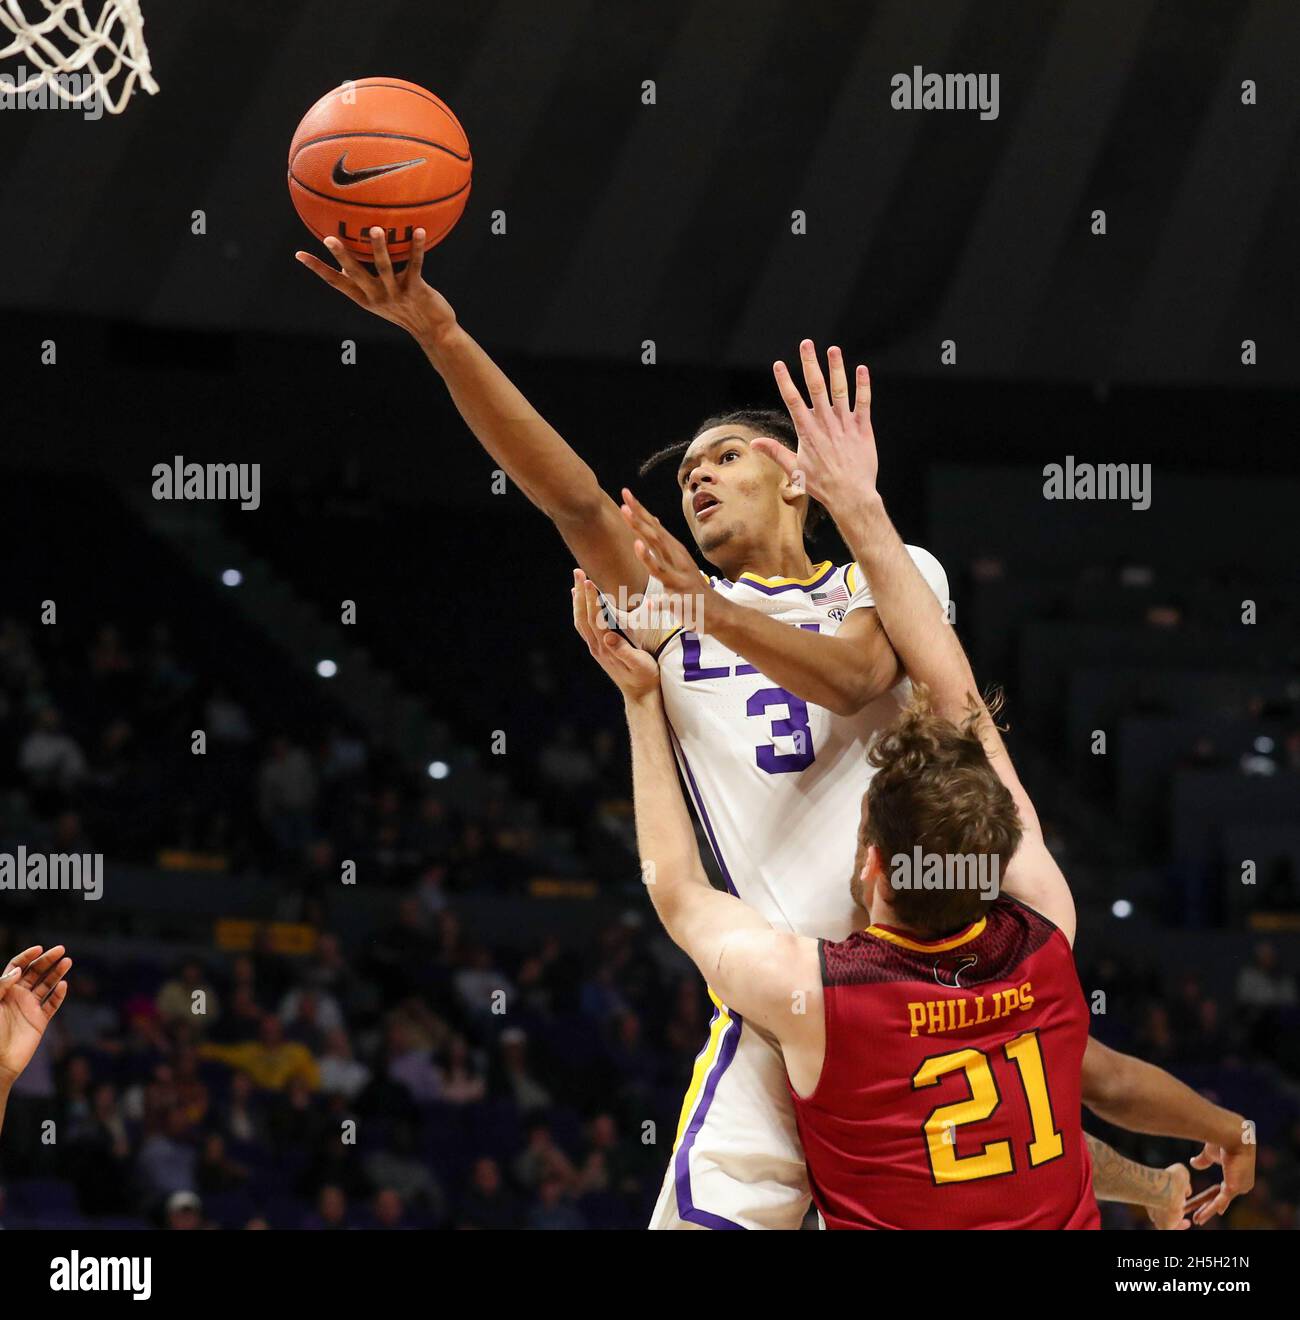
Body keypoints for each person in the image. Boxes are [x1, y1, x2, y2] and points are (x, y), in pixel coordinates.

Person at [297, 229, 947, 1229]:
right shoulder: (670, 617)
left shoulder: (887, 572)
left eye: (724, 456)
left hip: (930, 990)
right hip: (785, 1005)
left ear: (794, 478)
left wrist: (722, 613)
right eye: (686, 473)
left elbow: (860, 675)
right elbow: (566, 495)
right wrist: (439, 332)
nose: (696, 478)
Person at [568, 343, 1256, 1227]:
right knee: (1013, 1092)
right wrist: (1227, 1127)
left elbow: (673, 887)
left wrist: (639, 702)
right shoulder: (1040, 943)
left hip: (828, 1026)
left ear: (870, 869)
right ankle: (1156, 1189)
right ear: (992, 853)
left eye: (725, 456)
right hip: (1001, 1110)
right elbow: (1102, 1076)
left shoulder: (813, 997)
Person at [0, 945, 72, 1144]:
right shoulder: (9, 1012)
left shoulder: (46, 1021)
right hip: (18, 1094)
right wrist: (2, 1074)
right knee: (18, 1148)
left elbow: (60, 1054)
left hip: (45, 1095)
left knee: (46, 1143)